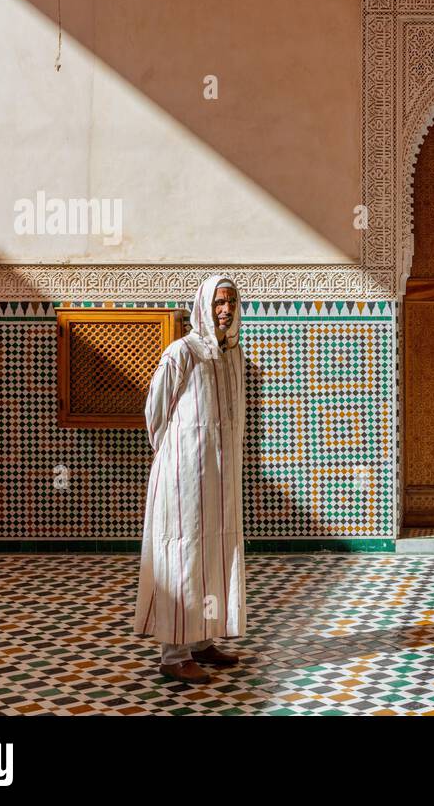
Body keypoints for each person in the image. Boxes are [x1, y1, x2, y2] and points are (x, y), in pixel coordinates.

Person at [133, 275, 246, 684]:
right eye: (218, 301)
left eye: (231, 302)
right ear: (203, 304)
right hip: (183, 480)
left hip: (219, 481)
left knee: (213, 553)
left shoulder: (232, 355)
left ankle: (201, 640)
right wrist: (181, 455)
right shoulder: (181, 353)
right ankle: (174, 653)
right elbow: (155, 414)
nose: (225, 309)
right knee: (182, 555)